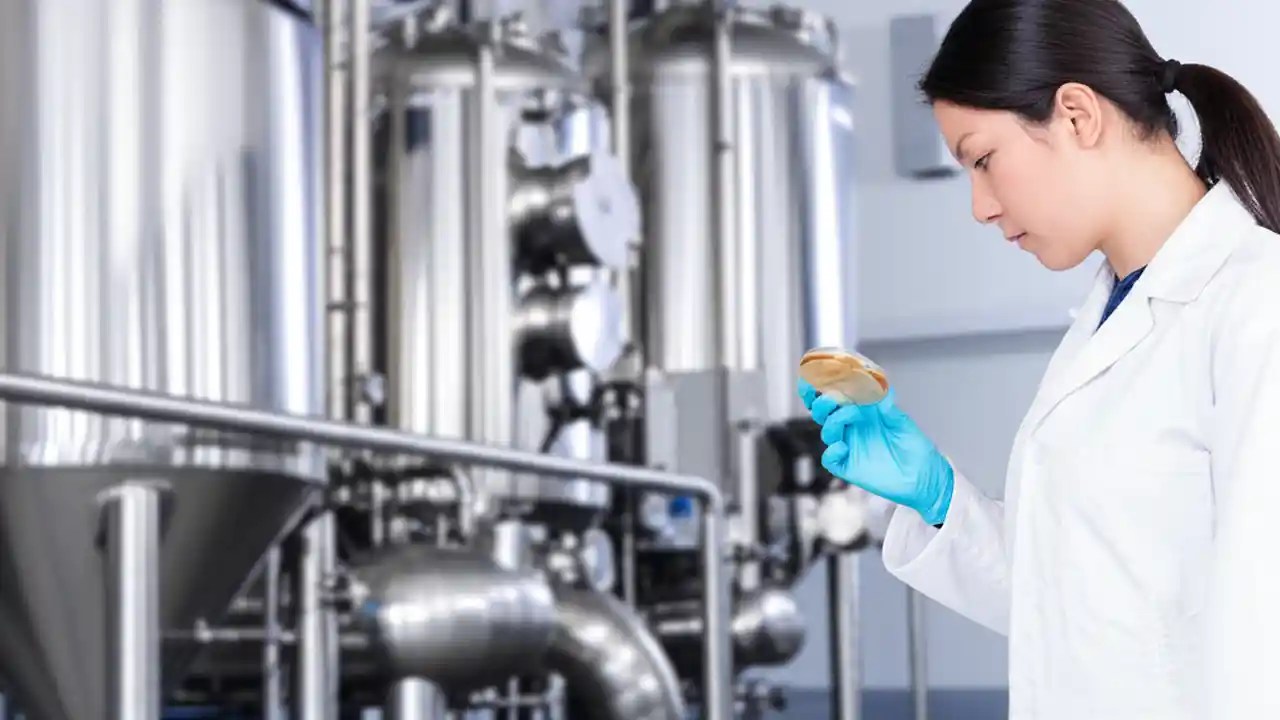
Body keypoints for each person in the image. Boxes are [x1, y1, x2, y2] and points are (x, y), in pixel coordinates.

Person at [797, 0, 1280, 717]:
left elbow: (1260, 645)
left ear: (1078, 115)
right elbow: (1074, 616)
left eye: (984, 160)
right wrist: (939, 500)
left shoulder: (1254, 304)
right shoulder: (1109, 317)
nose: (979, 207)